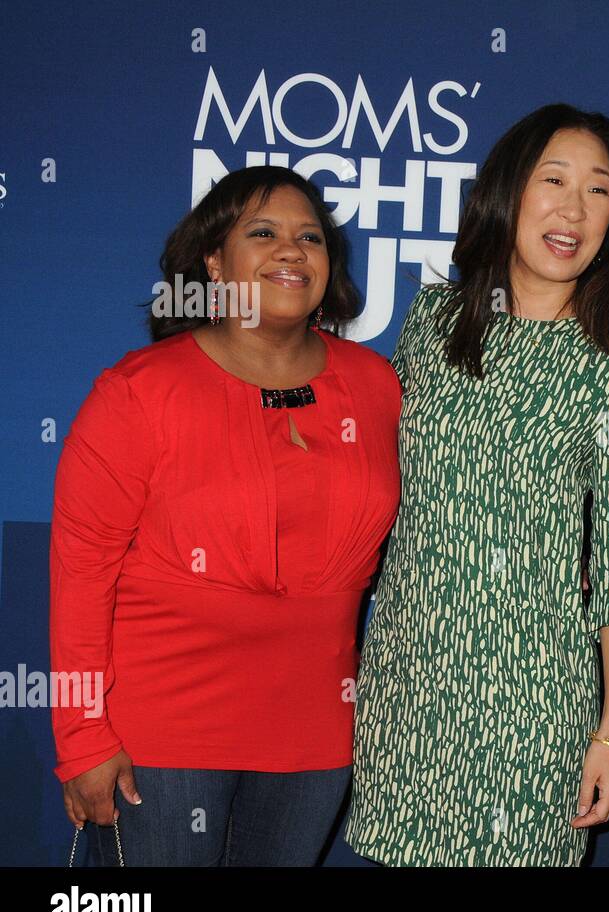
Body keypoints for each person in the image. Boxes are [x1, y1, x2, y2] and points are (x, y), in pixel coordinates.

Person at [51, 166, 402, 866]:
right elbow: (81, 574)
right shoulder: (138, 393)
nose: (292, 250)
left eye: (311, 237)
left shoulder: (375, 385)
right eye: (264, 233)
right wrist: (83, 734)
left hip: (312, 735)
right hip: (161, 732)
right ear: (214, 259)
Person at [345, 104, 609, 866]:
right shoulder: (430, 321)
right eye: (553, 180)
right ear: (507, 193)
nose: (573, 208)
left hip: (535, 704)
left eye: (599, 191)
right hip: (407, 691)